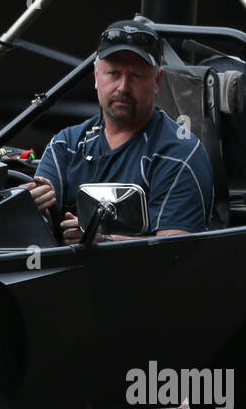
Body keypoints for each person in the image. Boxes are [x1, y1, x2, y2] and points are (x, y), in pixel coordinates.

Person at [22, 20, 214, 242]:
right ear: (96, 76)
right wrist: (31, 205)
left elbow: (174, 252)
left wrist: (104, 240)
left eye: (136, 76)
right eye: (113, 73)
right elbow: (37, 222)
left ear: (157, 81)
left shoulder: (179, 154)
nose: (123, 87)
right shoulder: (66, 145)